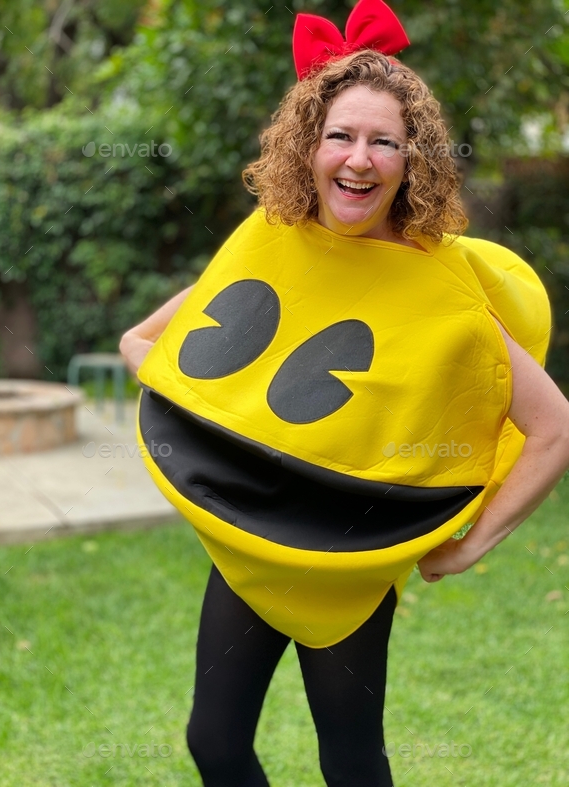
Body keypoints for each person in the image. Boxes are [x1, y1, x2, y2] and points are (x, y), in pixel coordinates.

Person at [120, 1, 569, 784]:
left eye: (383, 141)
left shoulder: (438, 286)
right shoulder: (275, 237)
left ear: (412, 157)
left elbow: (554, 425)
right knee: (213, 742)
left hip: (350, 559)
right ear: (309, 143)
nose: (359, 159)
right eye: (341, 135)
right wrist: (190, 407)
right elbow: (146, 342)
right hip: (249, 542)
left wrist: (470, 546)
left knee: (353, 761)